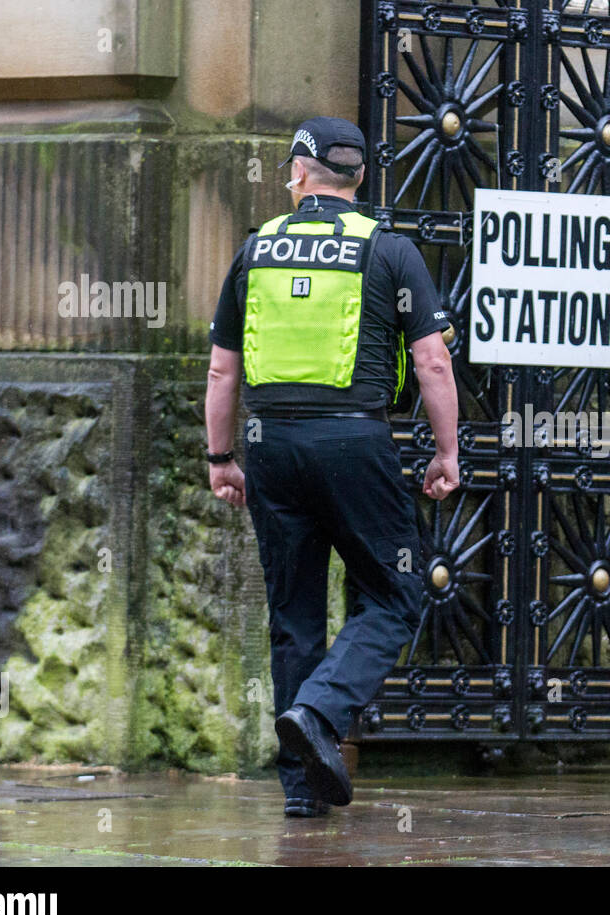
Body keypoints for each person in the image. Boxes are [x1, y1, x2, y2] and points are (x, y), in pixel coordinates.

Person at [203, 117, 460, 817]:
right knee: (396, 593)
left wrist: (221, 457)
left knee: (293, 616)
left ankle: (300, 790)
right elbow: (433, 360)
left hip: (271, 447)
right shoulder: (388, 250)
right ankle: (319, 713)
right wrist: (447, 451)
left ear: (297, 174)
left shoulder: (255, 251)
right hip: (355, 445)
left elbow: (223, 371)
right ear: (361, 178)